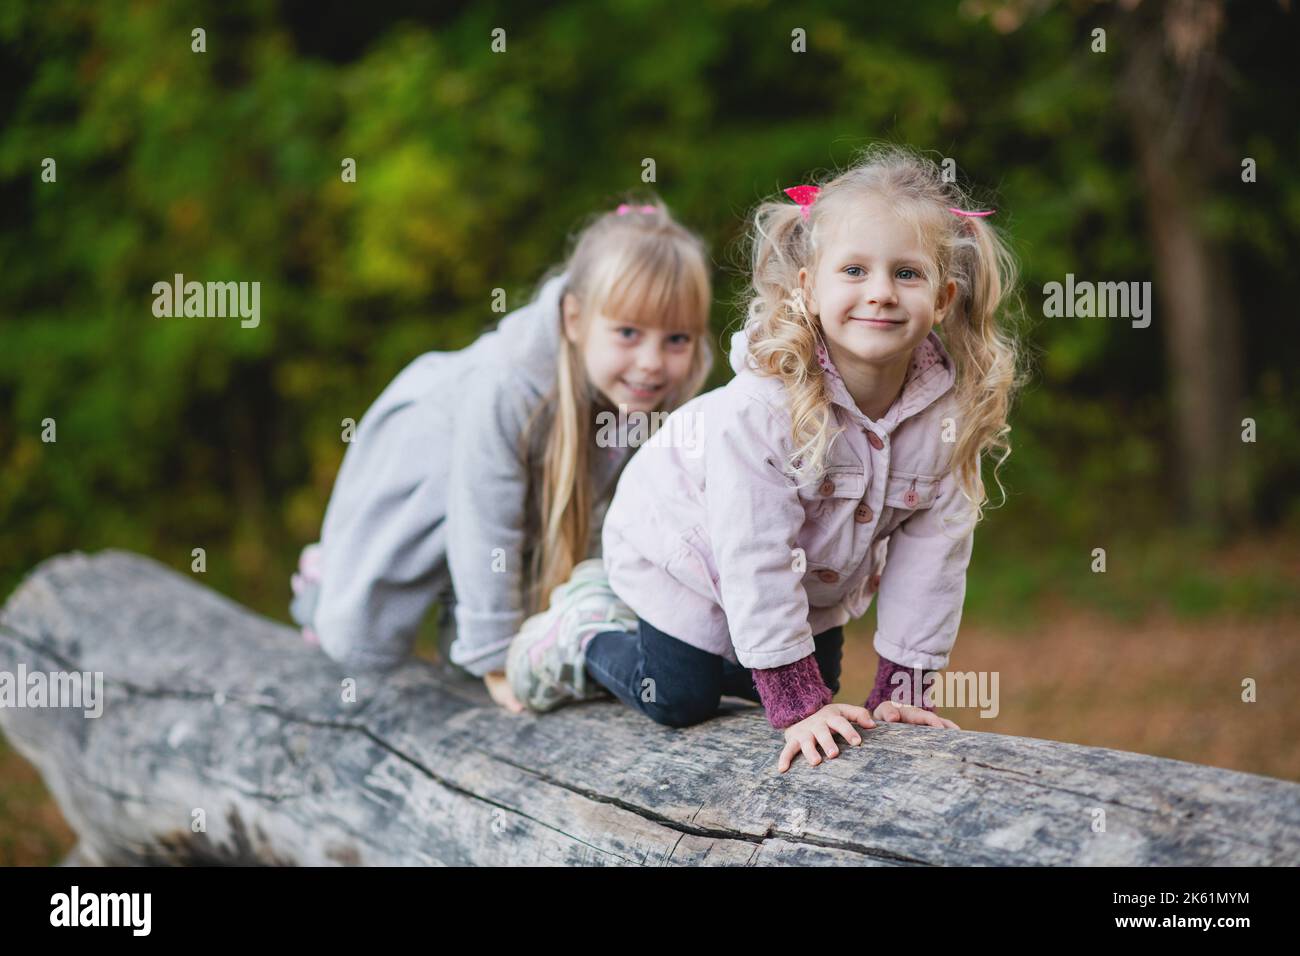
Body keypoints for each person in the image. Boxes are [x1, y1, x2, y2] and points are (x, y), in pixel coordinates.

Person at [509, 145, 1021, 772]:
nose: (881, 293)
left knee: (798, 693)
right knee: (682, 697)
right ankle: (584, 632)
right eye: (854, 270)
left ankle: (757, 662)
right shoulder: (765, 407)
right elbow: (753, 548)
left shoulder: (946, 420)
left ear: (943, 299)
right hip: (685, 547)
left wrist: (902, 689)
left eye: (907, 274)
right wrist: (796, 701)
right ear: (808, 288)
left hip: (807, 581)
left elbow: (933, 558)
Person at [291, 200, 714, 712]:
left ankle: (464, 638)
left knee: (496, 591)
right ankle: (325, 587)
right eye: (628, 333)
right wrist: (495, 659)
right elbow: (484, 527)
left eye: (676, 339)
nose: (651, 362)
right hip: (427, 457)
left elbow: (607, 511)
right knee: (359, 634)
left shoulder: (627, 391)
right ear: (575, 319)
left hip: (497, 479)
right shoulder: (508, 387)